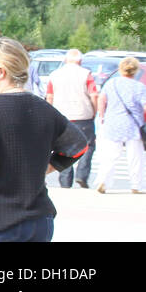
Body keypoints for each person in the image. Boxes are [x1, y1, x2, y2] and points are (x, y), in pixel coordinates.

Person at [0, 37, 88, 242]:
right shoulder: (44, 108)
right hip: (39, 221)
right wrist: (45, 167)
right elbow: (78, 146)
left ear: (0, 71)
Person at [44, 48, 99, 188]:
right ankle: (82, 175)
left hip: (61, 115)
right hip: (83, 116)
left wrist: (50, 115)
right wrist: (93, 112)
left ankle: (65, 180)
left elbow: (49, 96)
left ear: (66, 60)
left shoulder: (55, 74)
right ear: (80, 60)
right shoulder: (86, 74)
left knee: (63, 148)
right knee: (87, 146)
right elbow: (94, 95)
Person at [92, 56, 146, 194]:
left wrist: (102, 116)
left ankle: (103, 180)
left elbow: (102, 100)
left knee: (110, 155)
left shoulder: (112, 83)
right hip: (133, 125)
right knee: (135, 156)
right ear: (135, 70)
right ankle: (136, 185)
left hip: (113, 123)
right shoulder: (139, 87)